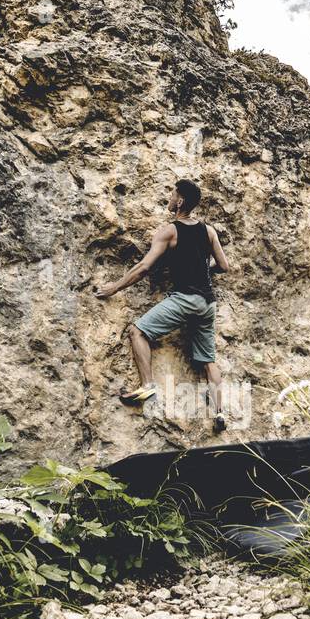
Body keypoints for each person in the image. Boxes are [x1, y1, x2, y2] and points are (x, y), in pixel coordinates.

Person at [95, 179, 230, 432]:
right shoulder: (208, 230)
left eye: (172, 194)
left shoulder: (169, 230)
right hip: (207, 303)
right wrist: (202, 270)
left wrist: (114, 287)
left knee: (137, 331)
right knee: (208, 359)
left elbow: (144, 267)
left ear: (179, 201)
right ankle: (220, 414)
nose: (169, 198)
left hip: (185, 299)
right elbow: (223, 266)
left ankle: (147, 386)